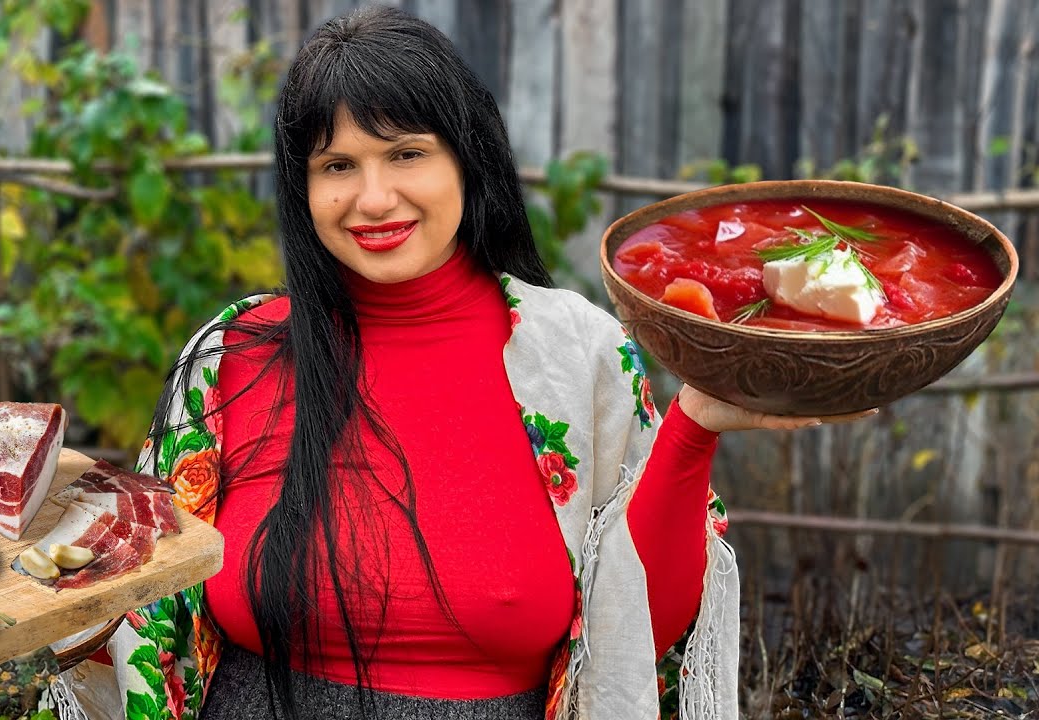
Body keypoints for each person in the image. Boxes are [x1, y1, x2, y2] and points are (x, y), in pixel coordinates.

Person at [45, 7, 874, 720]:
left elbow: (641, 632)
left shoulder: (577, 354)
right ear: (304, 188)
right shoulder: (235, 354)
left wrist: (695, 425)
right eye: (338, 166)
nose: (373, 199)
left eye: (406, 153)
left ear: (466, 160)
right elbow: (140, 618)